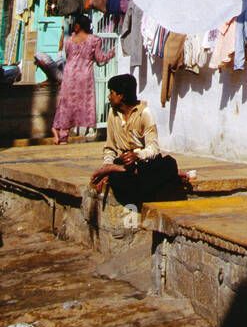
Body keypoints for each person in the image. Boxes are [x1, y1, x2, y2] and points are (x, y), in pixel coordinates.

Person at [89, 73, 192, 207]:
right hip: (123, 163)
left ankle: (116, 169)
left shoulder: (145, 113)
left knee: (169, 163)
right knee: (121, 182)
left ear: (121, 96)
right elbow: (110, 147)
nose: (109, 97)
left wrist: (137, 155)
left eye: (111, 93)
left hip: (143, 163)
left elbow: (153, 148)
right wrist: (107, 167)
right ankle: (116, 170)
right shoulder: (112, 114)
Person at [51, 12, 114, 145]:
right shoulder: (94, 40)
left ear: (78, 26)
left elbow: (68, 57)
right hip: (84, 76)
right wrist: (112, 53)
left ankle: (63, 133)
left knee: (66, 103)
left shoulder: (69, 41)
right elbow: (100, 59)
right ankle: (65, 131)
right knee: (81, 103)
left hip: (69, 75)